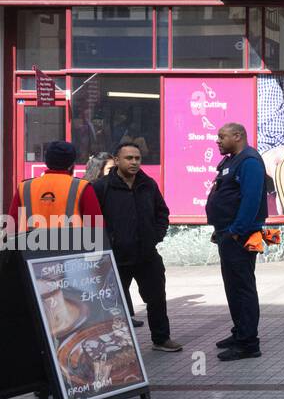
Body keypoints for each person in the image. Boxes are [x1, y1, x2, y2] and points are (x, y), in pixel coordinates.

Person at [92, 142, 182, 351]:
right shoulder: (102, 187)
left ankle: (161, 339)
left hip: (147, 255)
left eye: (137, 158)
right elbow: (92, 220)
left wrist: (156, 235)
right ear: (116, 160)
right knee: (113, 304)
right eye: (129, 158)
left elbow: (162, 212)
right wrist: (106, 244)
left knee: (157, 298)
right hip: (116, 257)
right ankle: (117, 345)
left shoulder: (148, 184)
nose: (134, 162)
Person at [207, 122, 269, 361]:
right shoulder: (232, 160)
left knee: (243, 288)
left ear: (238, 136)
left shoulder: (249, 161)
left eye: (222, 136)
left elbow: (250, 200)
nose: (218, 140)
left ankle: (248, 343)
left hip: (242, 235)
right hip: (227, 233)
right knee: (232, 286)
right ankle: (240, 331)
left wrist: (235, 230)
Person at [9, 140, 103, 236]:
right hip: (71, 249)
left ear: (47, 162)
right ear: (71, 165)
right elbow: (96, 228)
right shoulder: (83, 188)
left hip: (30, 248)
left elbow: (11, 228)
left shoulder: (24, 187)